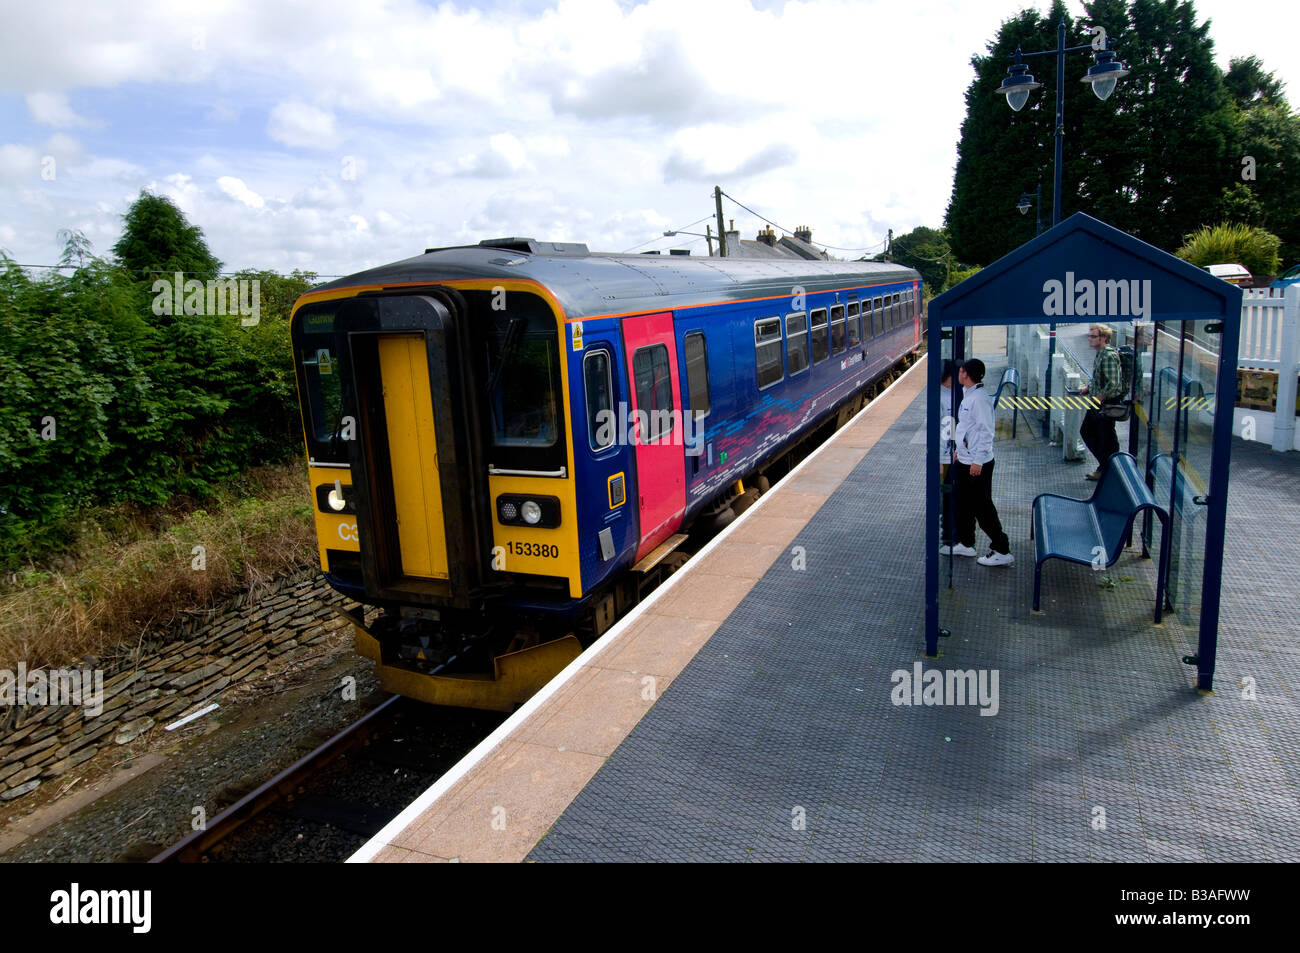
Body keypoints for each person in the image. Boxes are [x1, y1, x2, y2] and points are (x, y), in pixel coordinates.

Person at [942, 358, 1013, 566]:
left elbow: (986, 431)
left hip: (976, 463)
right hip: (966, 460)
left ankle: (1002, 548)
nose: (958, 374)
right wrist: (959, 451)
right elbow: (967, 429)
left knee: (982, 507)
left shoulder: (979, 399)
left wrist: (978, 461)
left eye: (960, 371)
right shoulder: (970, 394)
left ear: (965, 373)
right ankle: (966, 543)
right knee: (963, 503)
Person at [1078, 323, 1124, 482]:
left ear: (1103, 338)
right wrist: (1089, 388)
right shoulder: (1100, 353)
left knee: (1103, 436)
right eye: (1089, 336)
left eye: (1093, 336)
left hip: (1106, 403)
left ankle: (1106, 468)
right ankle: (1107, 466)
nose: (1089, 339)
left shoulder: (1108, 355)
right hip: (1099, 401)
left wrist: (1100, 397)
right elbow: (1099, 378)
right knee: (1098, 434)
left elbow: (1113, 382)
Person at [937, 359, 956, 546]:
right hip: (944, 455)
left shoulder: (954, 394)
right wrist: (939, 460)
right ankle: (946, 531)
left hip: (954, 454)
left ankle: (950, 527)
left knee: (950, 492)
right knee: (944, 492)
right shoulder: (940, 398)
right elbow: (938, 431)